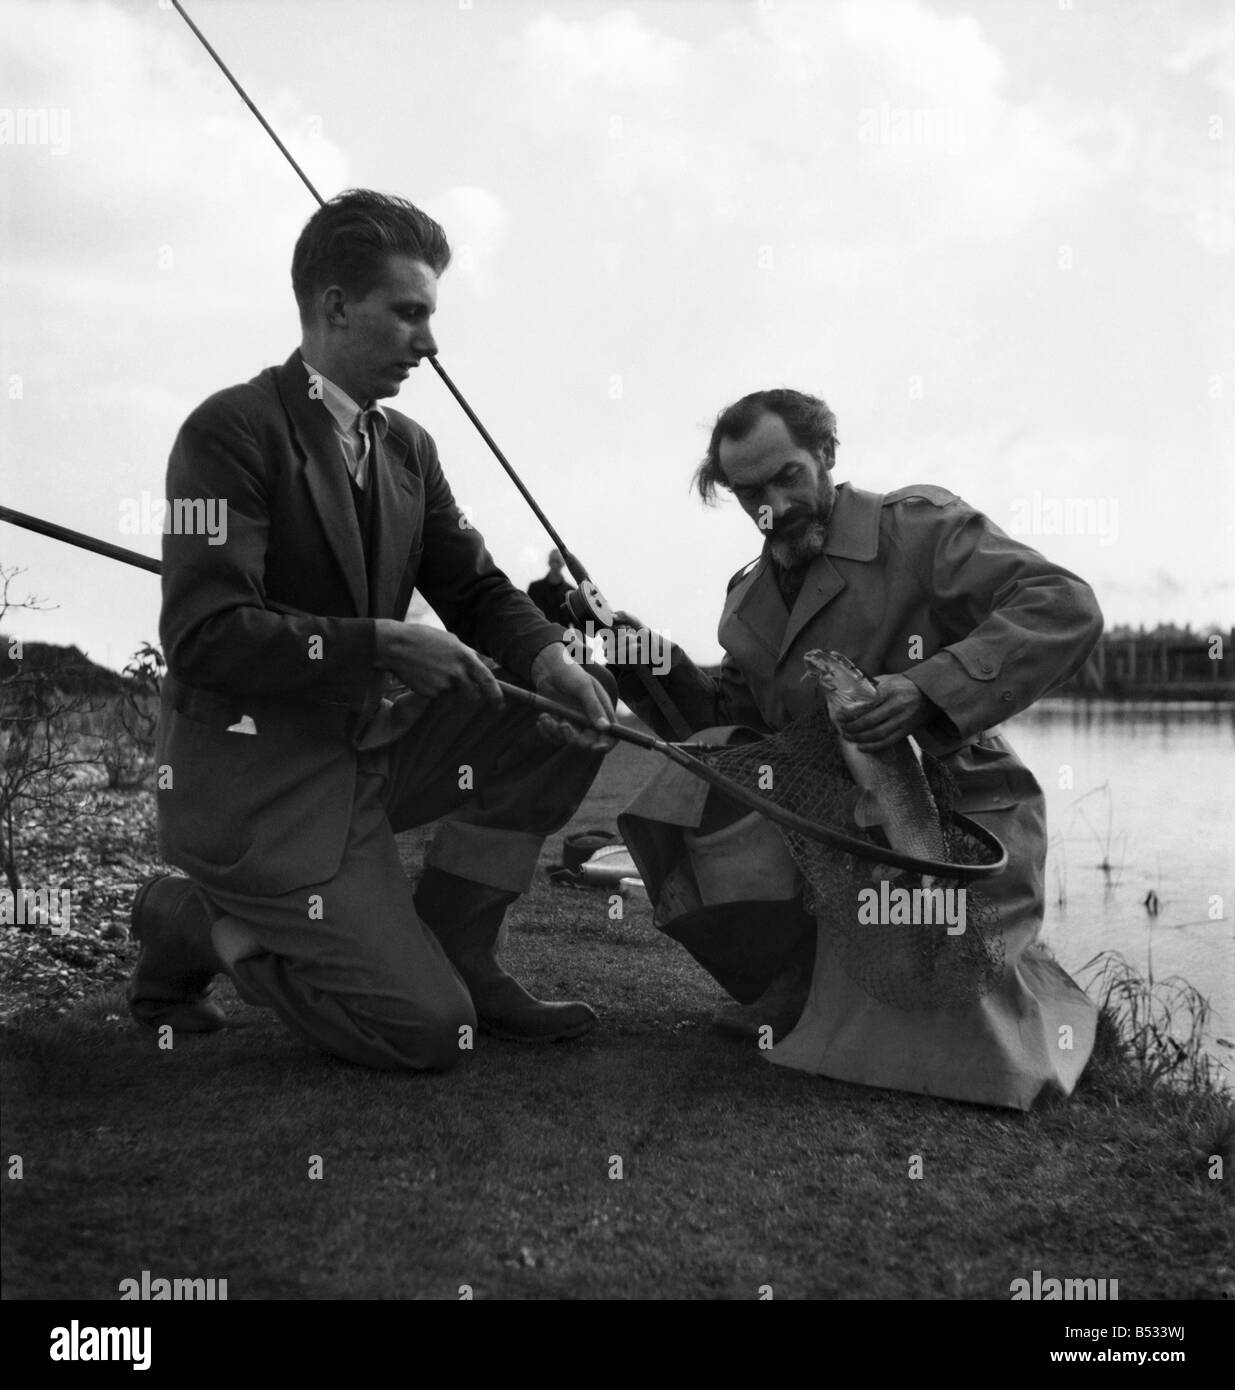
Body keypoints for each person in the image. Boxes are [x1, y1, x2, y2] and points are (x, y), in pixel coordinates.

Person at [127, 189, 616, 1072]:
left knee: (565, 720)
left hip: (365, 749)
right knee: (427, 1032)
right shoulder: (225, 430)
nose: (429, 343)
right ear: (335, 306)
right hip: (256, 785)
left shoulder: (407, 448)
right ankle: (191, 919)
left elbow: (472, 586)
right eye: (409, 314)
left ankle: (461, 950)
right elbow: (203, 636)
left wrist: (548, 657)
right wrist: (384, 645)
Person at [608, 389, 1104, 1110]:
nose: (772, 504)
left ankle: (981, 985)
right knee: (685, 790)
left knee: (948, 1034)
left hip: (960, 811)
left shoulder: (921, 529)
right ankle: (793, 983)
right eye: (749, 493)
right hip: (835, 828)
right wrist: (647, 661)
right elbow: (738, 730)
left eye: (786, 477)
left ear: (826, 454)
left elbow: (1064, 604)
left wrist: (927, 689)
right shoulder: (744, 601)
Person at [527, 549, 573, 622]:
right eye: (552, 561)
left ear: (563, 564)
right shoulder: (534, 588)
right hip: (539, 631)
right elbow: (527, 614)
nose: (555, 564)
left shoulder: (571, 593)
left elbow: (585, 620)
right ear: (549, 562)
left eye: (557, 561)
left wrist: (591, 632)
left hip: (561, 633)